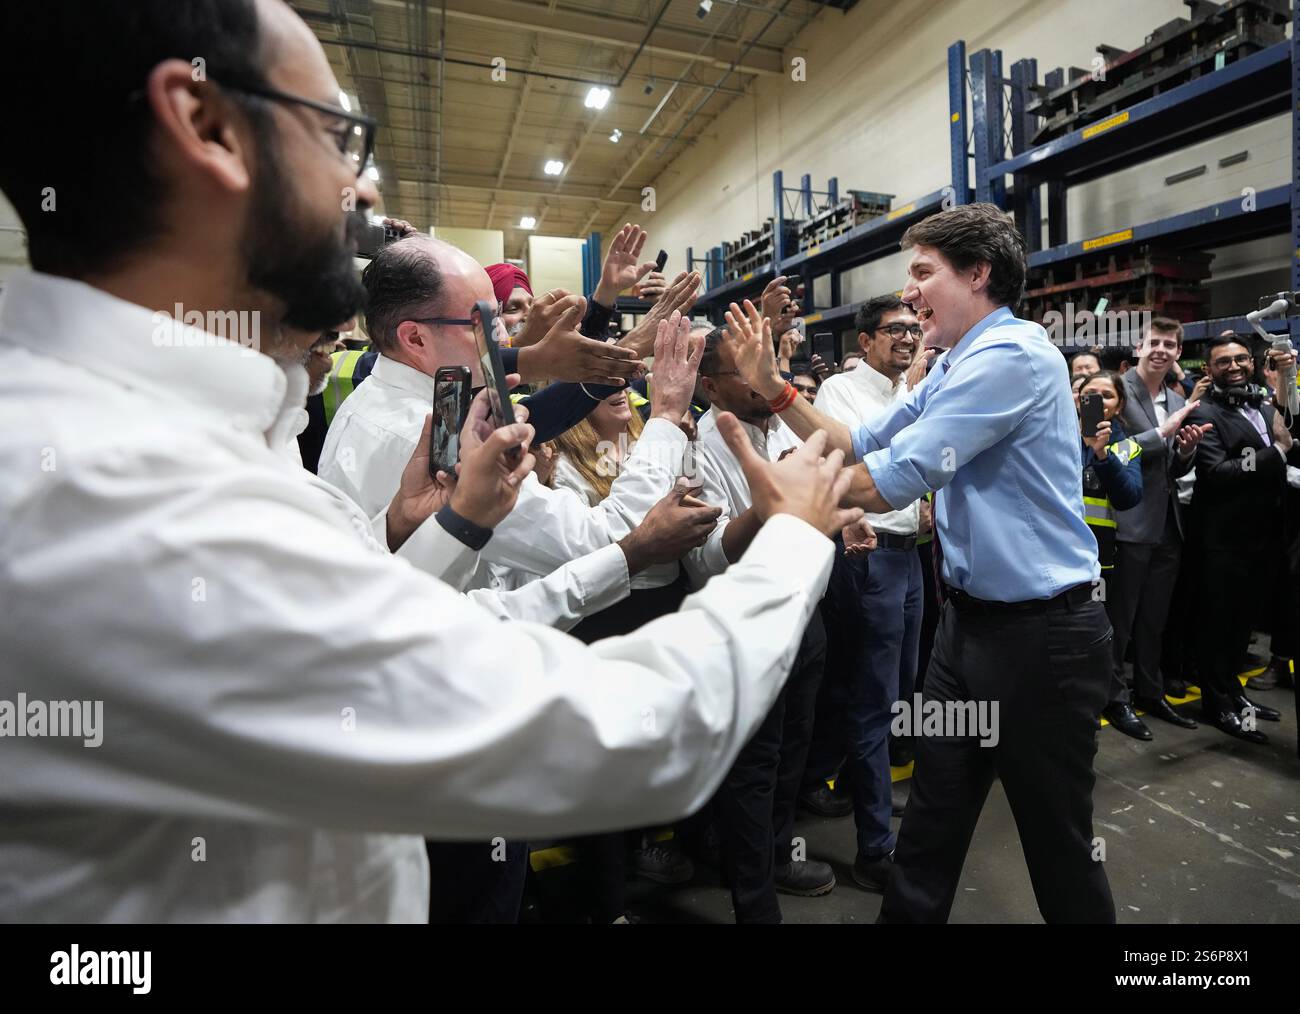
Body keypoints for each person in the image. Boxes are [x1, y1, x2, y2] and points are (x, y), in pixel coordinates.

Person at [0, 0, 864, 922]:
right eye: (338, 137)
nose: (365, 193)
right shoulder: (130, 494)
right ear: (206, 126)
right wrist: (792, 540)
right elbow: (623, 737)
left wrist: (445, 527)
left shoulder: (184, 441)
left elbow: (425, 635)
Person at [728, 202, 1118, 924]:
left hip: (1041, 645)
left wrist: (779, 498)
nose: (909, 293)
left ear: (978, 273)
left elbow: (887, 479)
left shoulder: (1014, 358)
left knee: (1058, 846)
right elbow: (854, 441)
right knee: (931, 828)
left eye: (922, 273)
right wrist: (775, 389)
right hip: (967, 637)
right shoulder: (957, 363)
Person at [682, 328, 835, 921]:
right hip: (744, 627)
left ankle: (771, 857)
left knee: (793, 749)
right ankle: (754, 900)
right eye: (746, 368)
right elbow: (707, 556)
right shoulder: (699, 447)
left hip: (806, 615)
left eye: (766, 362)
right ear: (710, 384)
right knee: (754, 765)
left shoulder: (779, 427)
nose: (763, 375)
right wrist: (771, 501)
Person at [801, 294, 928, 891]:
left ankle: (850, 784)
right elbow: (837, 466)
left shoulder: (913, 391)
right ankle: (875, 847)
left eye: (913, 328)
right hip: (866, 556)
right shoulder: (838, 397)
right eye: (894, 330)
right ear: (866, 342)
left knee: (895, 687)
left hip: (910, 559)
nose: (906, 337)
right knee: (872, 697)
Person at [1184, 337, 1296, 743]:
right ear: (1208, 369)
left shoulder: (1262, 405)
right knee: (1218, 626)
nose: (1233, 366)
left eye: (1240, 359)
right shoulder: (1205, 412)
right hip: (1222, 543)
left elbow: (1286, 427)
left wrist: (1287, 377)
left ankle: (1237, 695)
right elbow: (1218, 470)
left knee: (1241, 626)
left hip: (1262, 540)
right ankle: (1218, 705)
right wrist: (1277, 455)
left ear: (1251, 363)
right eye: (1223, 361)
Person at [1106, 319, 1208, 739]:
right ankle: (1114, 699)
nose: (1161, 349)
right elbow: (1106, 450)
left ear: (1179, 353)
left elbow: (1173, 464)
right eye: (1154, 342)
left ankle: (1150, 690)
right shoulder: (1112, 387)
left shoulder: (1176, 395)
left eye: (1170, 344)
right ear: (1140, 345)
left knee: (1154, 618)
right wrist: (1160, 434)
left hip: (1168, 521)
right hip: (1127, 521)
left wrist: (1185, 451)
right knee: (1121, 619)